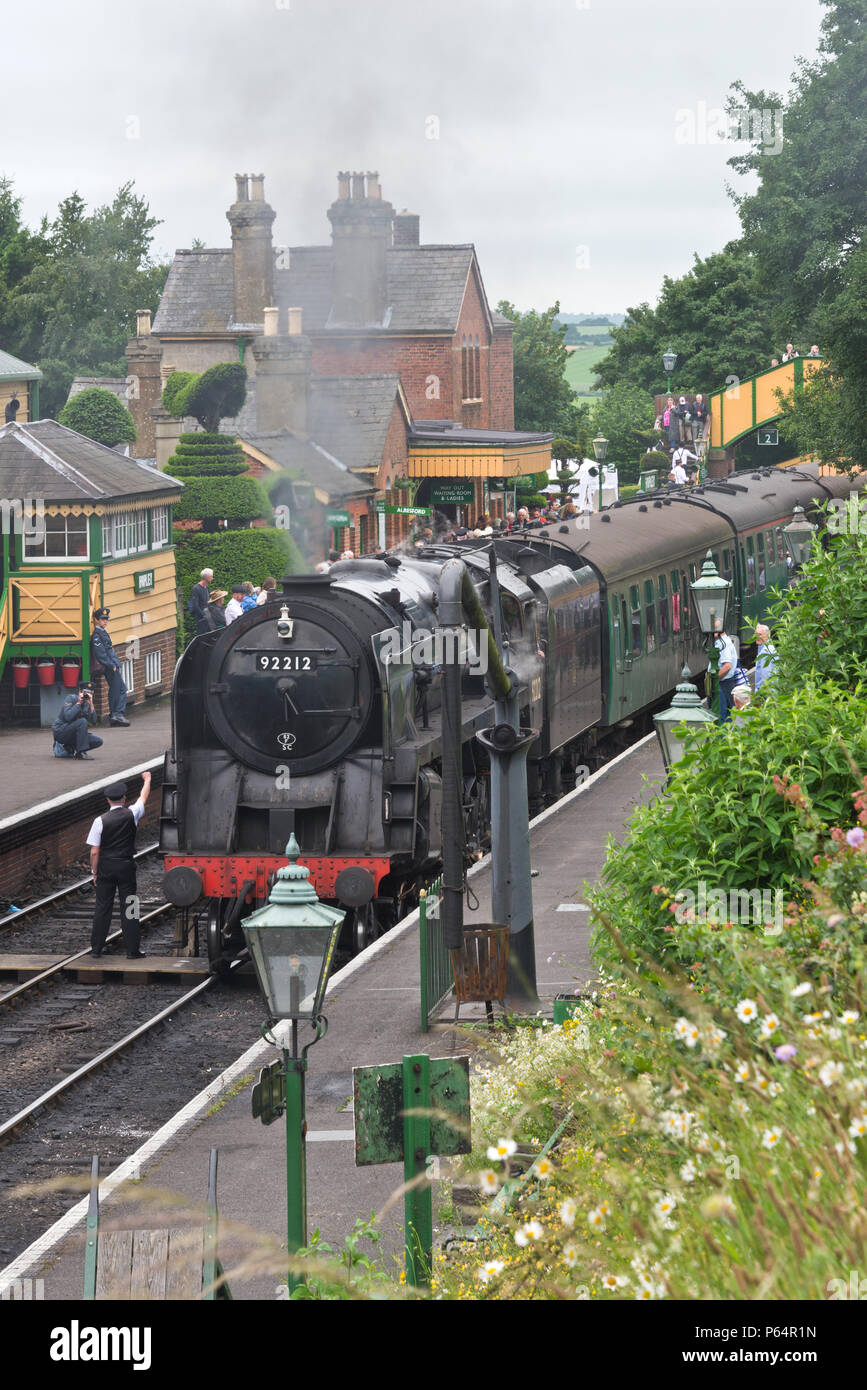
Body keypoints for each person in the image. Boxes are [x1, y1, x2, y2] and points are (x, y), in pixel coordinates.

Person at [87, 773, 151, 958]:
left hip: (106, 867)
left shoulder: (99, 821)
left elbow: (94, 851)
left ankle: (96, 949)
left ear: (107, 800)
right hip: (126, 866)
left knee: (102, 907)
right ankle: (133, 950)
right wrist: (147, 780)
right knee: (130, 906)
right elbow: (143, 797)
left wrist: (95, 872)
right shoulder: (133, 813)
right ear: (124, 798)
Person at [91, 608, 130, 727]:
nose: (105, 622)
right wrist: (111, 665)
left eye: (106, 619)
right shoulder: (97, 635)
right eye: (102, 619)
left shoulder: (103, 632)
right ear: (96, 620)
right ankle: (116, 714)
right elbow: (101, 653)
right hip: (110, 666)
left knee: (118, 689)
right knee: (118, 689)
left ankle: (116, 715)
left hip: (113, 664)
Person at [52, 683, 103, 760]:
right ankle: (80, 752)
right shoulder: (71, 698)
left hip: (74, 734)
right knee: (82, 721)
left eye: (89, 693)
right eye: (85, 692)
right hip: (60, 732)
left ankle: (70, 747)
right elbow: (68, 717)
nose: (86, 695)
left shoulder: (87, 704)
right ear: (80, 692)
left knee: (98, 741)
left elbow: (94, 722)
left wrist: (91, 704)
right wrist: (78, 703)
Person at [714, 620, 745, 724]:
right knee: (727, 716)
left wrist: (714, 679)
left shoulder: (723, 644)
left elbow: (727, 666)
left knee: (721, 717)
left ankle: (722, 739)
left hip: (723, 684)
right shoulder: (725, 641)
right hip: (726, 683)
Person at [189, 569, 213, 636]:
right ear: (207, 577)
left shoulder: (206, 587)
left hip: (208, 617)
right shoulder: (196, 588)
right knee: (202, 637)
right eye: (211, 576)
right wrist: (203, 616)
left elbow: (208, 601)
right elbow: (195, 606)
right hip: (201, 619)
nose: (212, 578)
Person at [754, 623, 777, 691]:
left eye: (760, 634)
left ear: (767, 635)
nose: (756, 636)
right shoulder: (765, 648)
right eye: (755, 634)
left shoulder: (766, 652)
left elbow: (766, 677)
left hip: (766, 692)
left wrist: (759, 695)